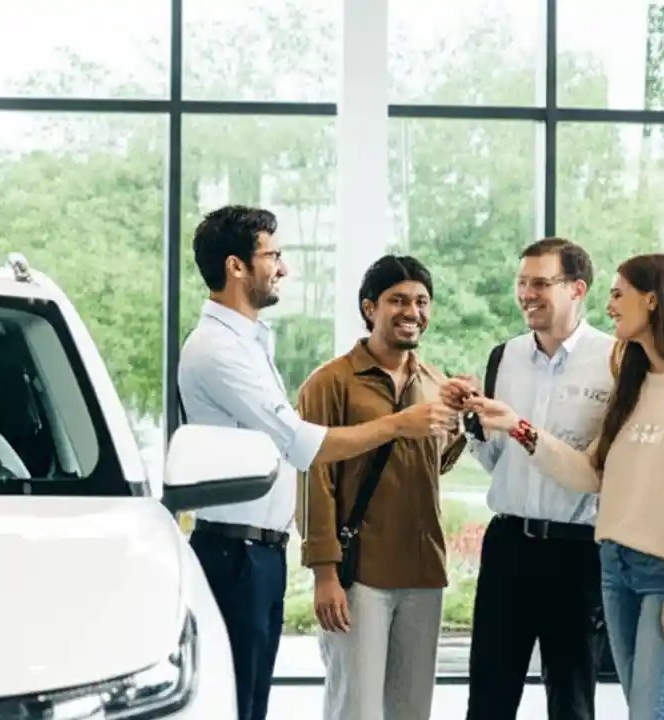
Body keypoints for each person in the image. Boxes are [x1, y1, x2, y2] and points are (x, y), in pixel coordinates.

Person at [178, 205, 458, 720]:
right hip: (239, 553)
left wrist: (452, 422)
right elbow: (305, 451)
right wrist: (398, 425)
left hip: (259, 552)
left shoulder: (249, 342)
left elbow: (423, 465)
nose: (282, 267)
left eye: (421, 301)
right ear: (237, 266)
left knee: (250, 702)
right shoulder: (222, 351)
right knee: (247, 703)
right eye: (274, 255)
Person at [462, 252, 664, 720]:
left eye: (618, 294)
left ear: (652, 300)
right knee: (641, 708)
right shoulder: (633, 376)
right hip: (614, 566)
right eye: (521, 282)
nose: (610, 305)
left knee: (647, 711)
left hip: (660, 573)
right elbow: (591, 472)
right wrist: (517, 427)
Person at [439, 237, 616, 720]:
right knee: (490, 697)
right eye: (522, 283)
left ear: (577, 289)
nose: (526, 294)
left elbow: (607, 470)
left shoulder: (614, 360)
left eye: (541, 283)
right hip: (509, 547)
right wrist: (472, 419)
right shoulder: (505, 357)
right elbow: (500, 461)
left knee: (572, 701)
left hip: (578, 552)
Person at [297, 254, 468, 720]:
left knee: (412, 710)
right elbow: (315, 478)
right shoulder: (329, 383)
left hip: (423, 572)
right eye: (398, 300)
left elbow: (436, 468)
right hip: (359, 574)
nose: (412, 311)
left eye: (421, 301)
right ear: (370, 308)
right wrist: (325, 574)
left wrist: (457, 422)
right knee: (355, 708)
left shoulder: (433, 380)